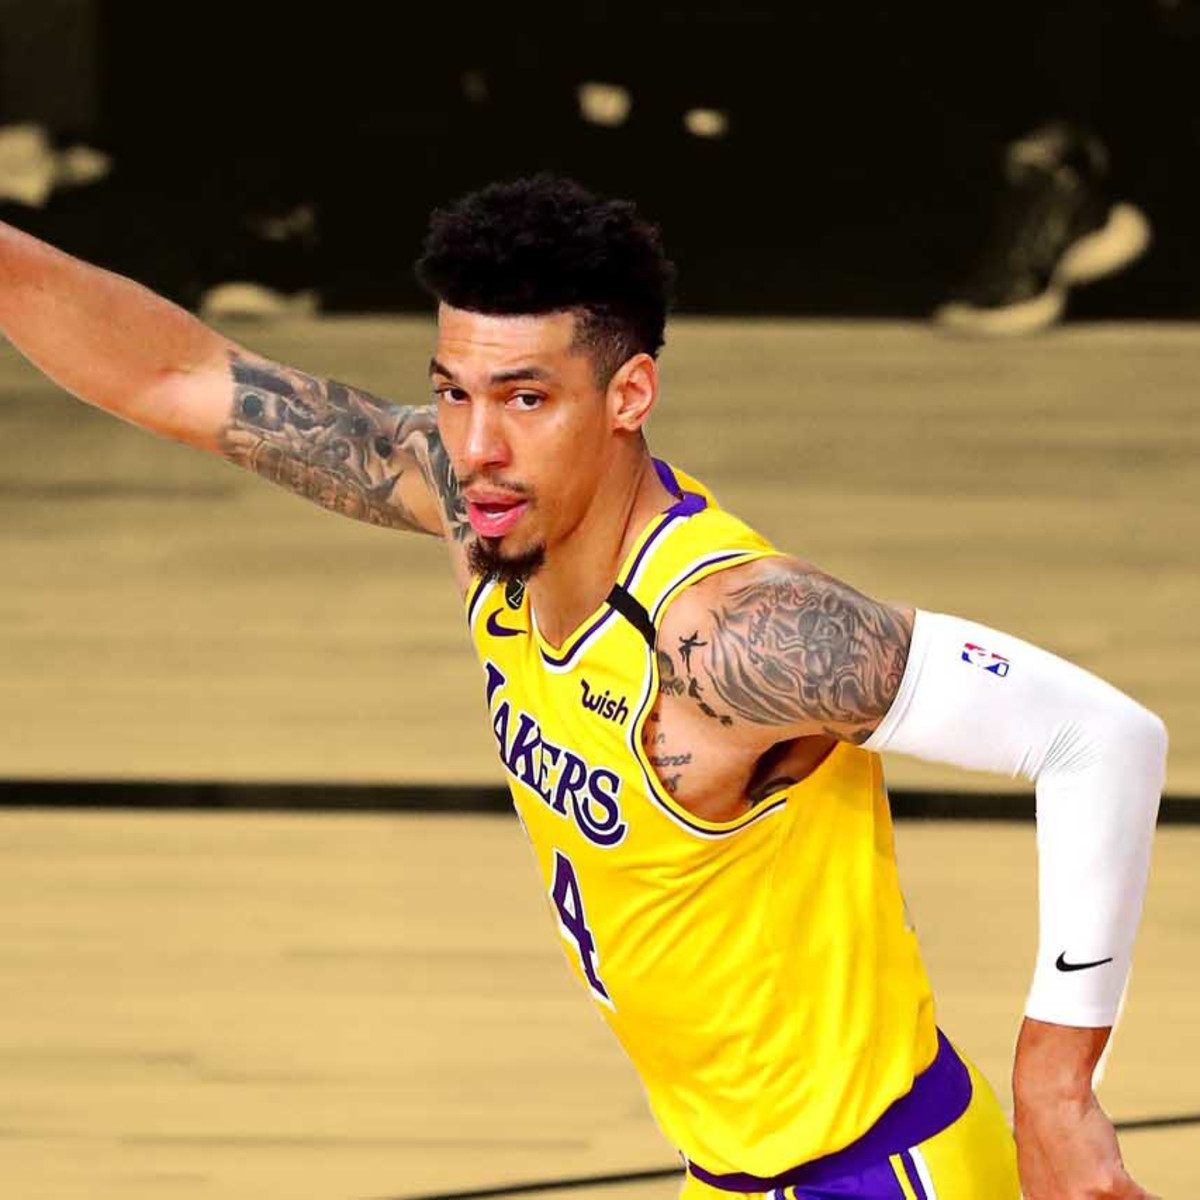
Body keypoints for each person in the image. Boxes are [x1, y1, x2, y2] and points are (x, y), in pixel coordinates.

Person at [0, 175, 1167, 1199]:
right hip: (734, 1170)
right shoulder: (480, 509)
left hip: (875, 1173)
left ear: (629, 396)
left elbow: (1097, 738)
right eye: (453, 392)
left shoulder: (731, 635)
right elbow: (183, 374)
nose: (475, 447)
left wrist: (1056, 1089)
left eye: (525, 399)